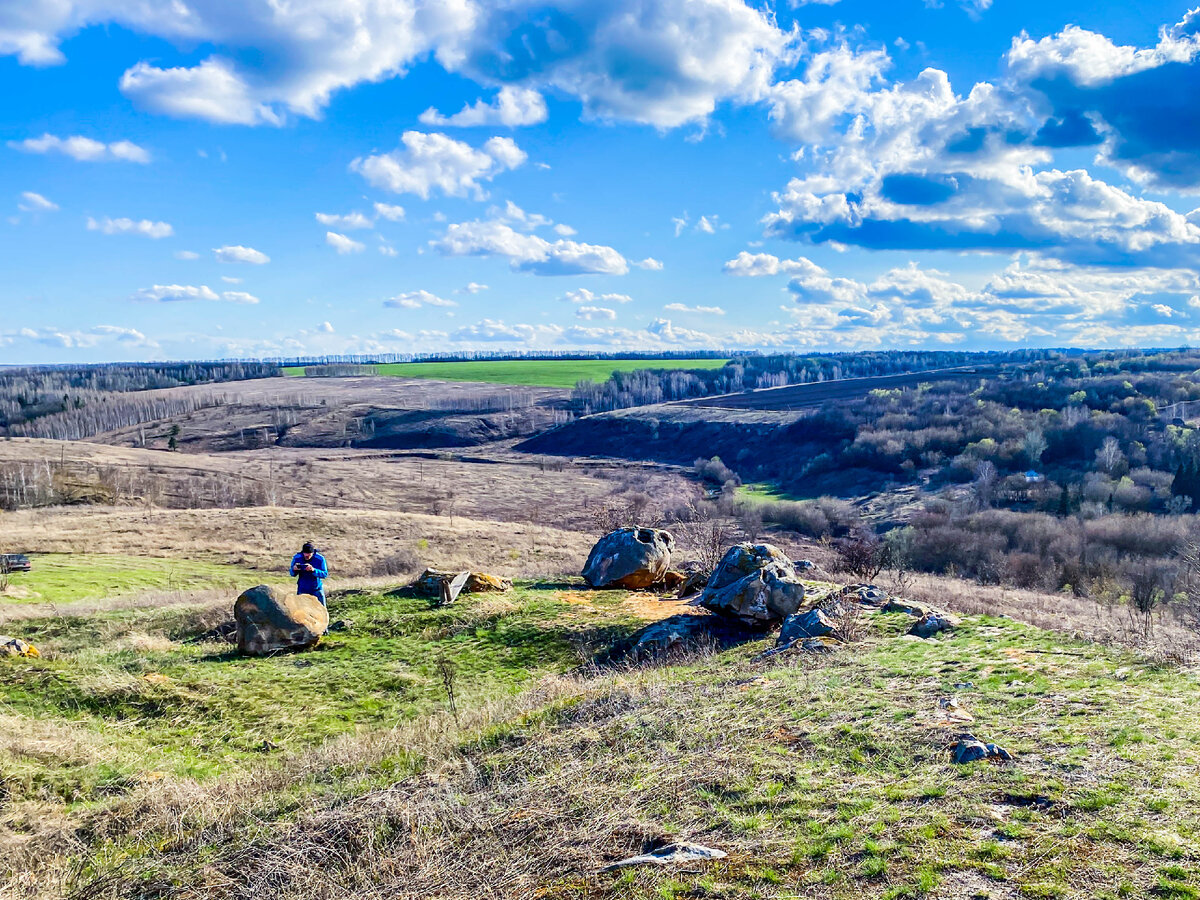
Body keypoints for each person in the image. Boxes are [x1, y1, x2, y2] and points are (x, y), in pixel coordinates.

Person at [290, 541, 329, 607]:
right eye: (305, 554)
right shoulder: (297, 558)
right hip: (302, 589)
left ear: (313, 553)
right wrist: (294, 569)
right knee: (301, 611)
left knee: (322, 610)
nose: (306, 556)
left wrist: (314, 570)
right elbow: (291, 573)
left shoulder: (320, 559)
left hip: (316, 590)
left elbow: (324, 574)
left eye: (309, 555)